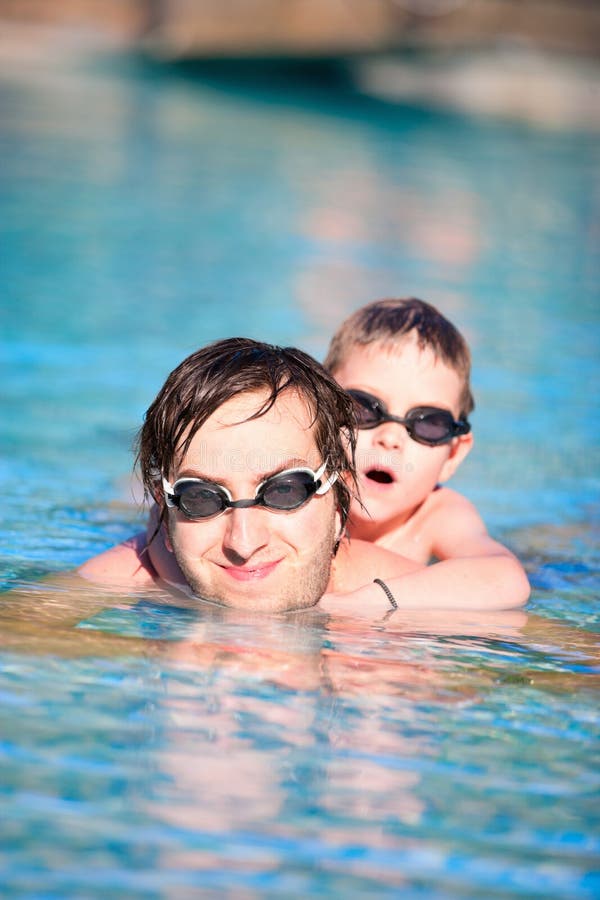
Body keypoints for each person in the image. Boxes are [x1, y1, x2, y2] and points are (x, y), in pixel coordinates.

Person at [79, 338, 423, 614]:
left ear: (338, 501)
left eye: (285, 491)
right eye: (200, 498)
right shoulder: (131, 577)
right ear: (166, 513)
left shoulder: (397, 592)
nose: (243, 544)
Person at [321, 297, 529, 610]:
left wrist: (365, 602)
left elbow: (507, 579)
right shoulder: (303, 491)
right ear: (321, 411)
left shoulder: (437, 516)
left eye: (428, 423)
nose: (391, 438)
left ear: (452, 456)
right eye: (363, 408)